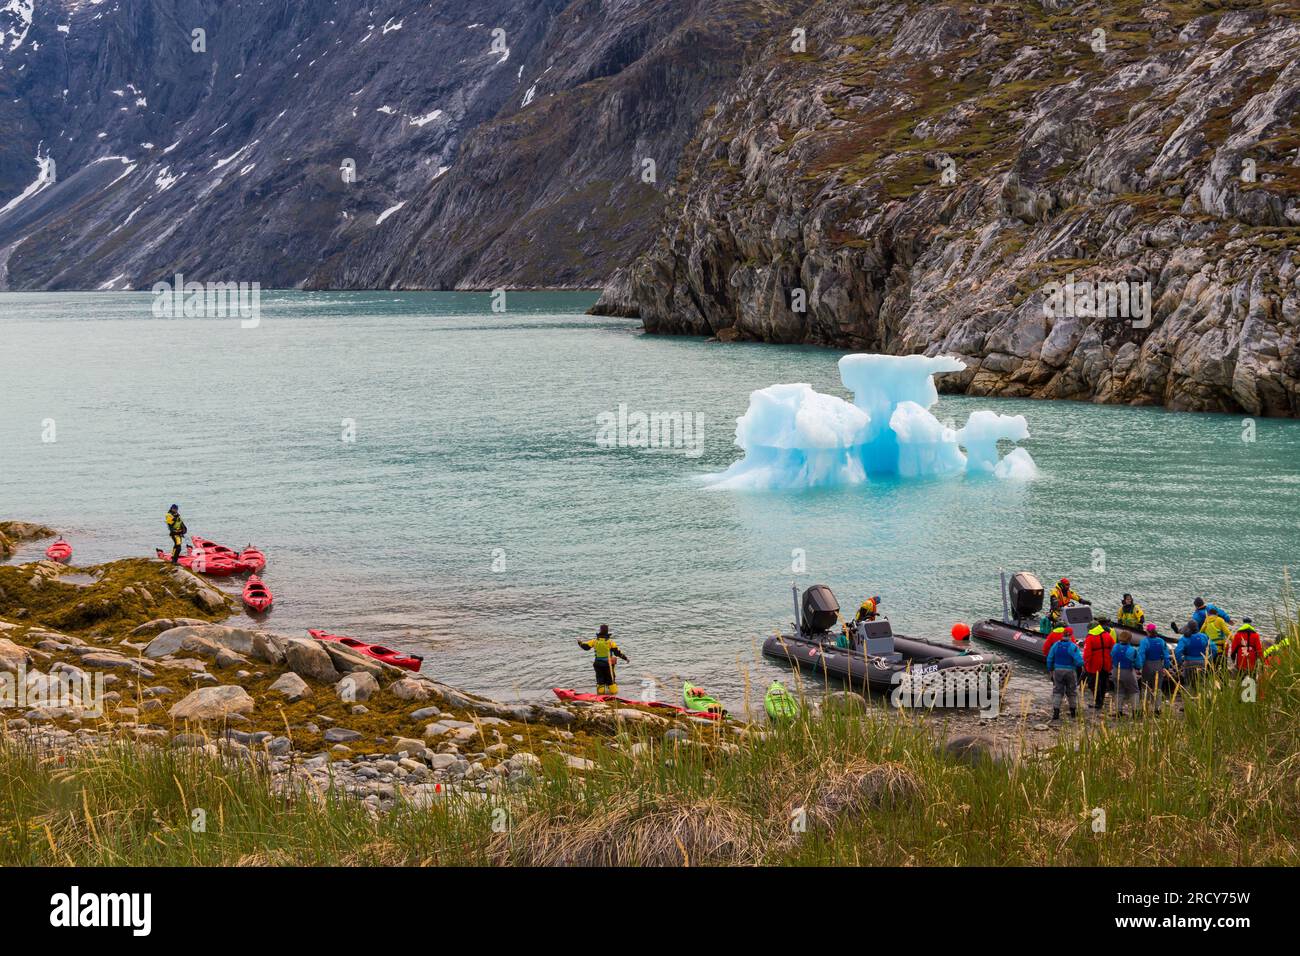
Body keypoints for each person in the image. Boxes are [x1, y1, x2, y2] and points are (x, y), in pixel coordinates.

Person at [1045, 629, 1084, 720]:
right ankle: (1073, 713)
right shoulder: (1073, 646)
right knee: (1072, 691)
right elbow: (1079, 662)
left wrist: (1050, 670)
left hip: (1057, 671)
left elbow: (1049, 659)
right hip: (1070, 671)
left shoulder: (1055, 645)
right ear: (1070, 636)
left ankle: (1056, 713)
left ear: (1062, 635)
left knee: (1057, 691)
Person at [577, 624, 628, 695]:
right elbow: (617, 653)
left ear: (600, 631)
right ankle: (614, 694)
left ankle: (600, 695)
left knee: (600, 681)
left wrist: (579, 642)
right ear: (607, 631)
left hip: (597, 664)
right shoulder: (610, 642)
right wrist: (625, 658)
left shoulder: (594, 641)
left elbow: (585, 647)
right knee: (610, 680)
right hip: (608, 665)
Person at [1138, 623, 1171, 713]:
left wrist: (1139, 666)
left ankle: (1144, 708)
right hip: (1158, 665)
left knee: (1145, 686)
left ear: (1147, 632)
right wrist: (1166, 667)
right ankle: (1157, 709)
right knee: (1158, 688)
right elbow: (1166, 656)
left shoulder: (1144, 641)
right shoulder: (1161, 641)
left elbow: (1141, 654)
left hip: (1147, 666)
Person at [1082, 623, 1116, 710]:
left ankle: (1098, 702)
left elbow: (1087, 654)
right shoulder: (1107, 635)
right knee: (1104, 682)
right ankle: (1102, 700)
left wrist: (1085, 663)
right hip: (1106, 663)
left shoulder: (1090, 638)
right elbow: (1113, 648)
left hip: (1094, 665)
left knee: (1093, 684)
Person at [1173, 619, 1215, 688]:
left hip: (1189, 663)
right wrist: (1209, 659)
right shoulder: (1204, 636)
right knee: (1201, 682)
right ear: (1197, 627)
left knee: (1188, 682)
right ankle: (1200, 695)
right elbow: (1214, 649)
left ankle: (1188, 696)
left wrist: (1180, 662)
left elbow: (1177, 651)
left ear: (1188, 628)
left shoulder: (1184, 638)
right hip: (1202, 662)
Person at [1112, 631, 1141, 716]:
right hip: (1128, 672)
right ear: (1129, 639)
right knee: (1134, 691)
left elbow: (1111, 657)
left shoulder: (1115, 647)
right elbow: (1138, 664)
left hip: (1116, 671)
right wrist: (1137, 668)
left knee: (1118, 691)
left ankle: (1118, 711)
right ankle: (1135, 711)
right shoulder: (1132, 650)